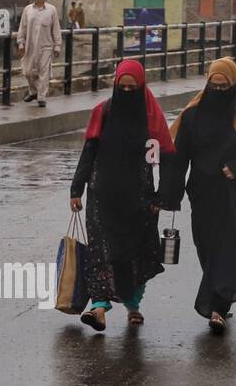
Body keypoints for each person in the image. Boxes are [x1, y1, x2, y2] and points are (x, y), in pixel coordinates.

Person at [159, 57, 236, 334]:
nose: (219, 90)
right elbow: (179, 157)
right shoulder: (193, 115)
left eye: (225, 86)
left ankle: (216, 308)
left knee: (231, 248)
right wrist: (169, 196)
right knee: (207, 248)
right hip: (203, 193)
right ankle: (220, 297)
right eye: (215, 85)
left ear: (234, 85)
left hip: (235, 195)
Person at [70, 59, 176, 332]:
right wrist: (76, 189)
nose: (127, 91)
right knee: (100, 253)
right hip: (101, 196)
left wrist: (162, 197)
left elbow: (165, 157)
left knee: (135, 255)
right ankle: (99, 308)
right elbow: (89, 151)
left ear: (141, 87)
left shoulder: (151, 117)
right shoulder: (103, 112)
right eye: (122, 86)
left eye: (133, 87)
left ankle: (132, 305)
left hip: (139, 200)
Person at [17, 0, 61, 108]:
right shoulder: (27, 10)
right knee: (27, 72)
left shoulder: (51, 10)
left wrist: (57, 46)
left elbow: (56, 29)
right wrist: (21, 43)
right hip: (30, 47)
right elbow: (22, 28)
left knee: (43, 72)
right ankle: (33, 91)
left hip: (46, 47)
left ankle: (41, 97)